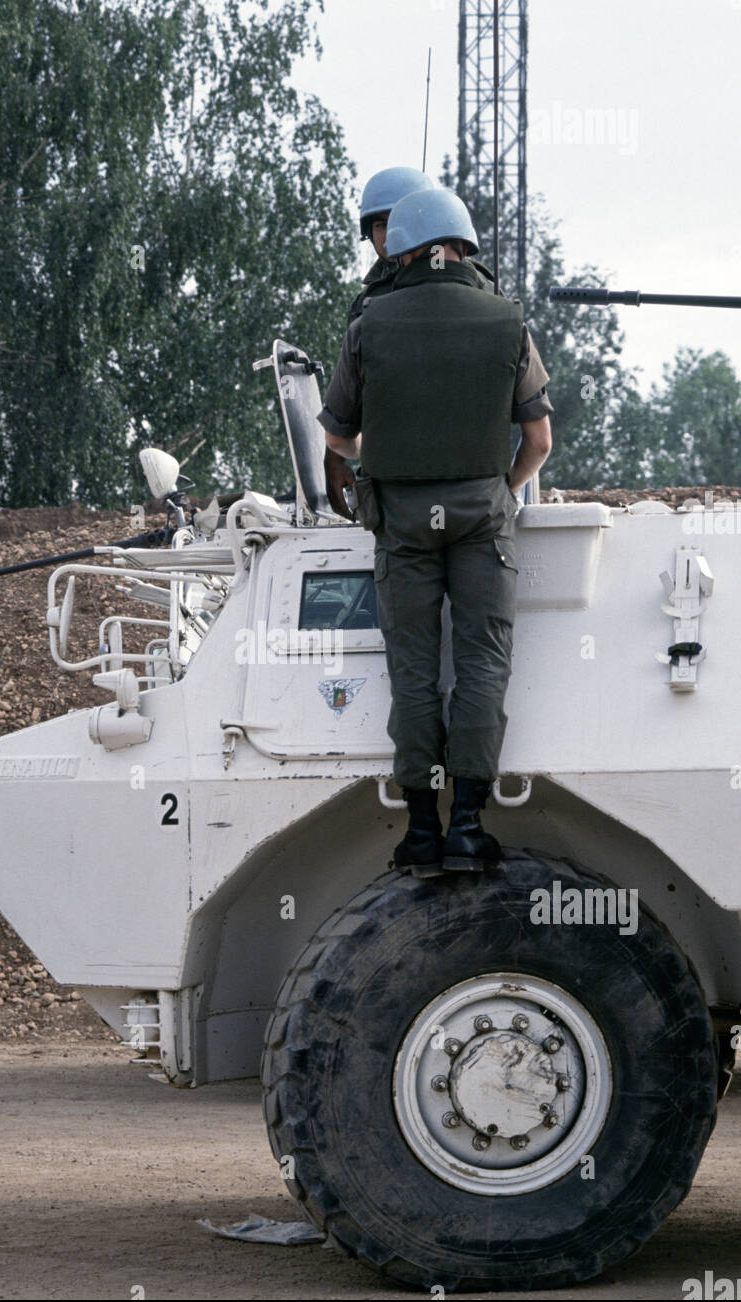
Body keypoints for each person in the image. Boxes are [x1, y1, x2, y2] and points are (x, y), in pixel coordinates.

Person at [318, 187, 553, 873]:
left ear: (406, 248)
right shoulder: (507, 320)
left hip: (401, 522)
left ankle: (421, 831)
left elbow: (338, 436)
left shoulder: (370, 323)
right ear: (463, 245)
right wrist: (499, 492)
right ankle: (470, 830)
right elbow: (537, 442)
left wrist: (382, 452)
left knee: (413, 670)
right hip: (482, 515)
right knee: (482, 664)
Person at [326, 169, 498, 522]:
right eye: (380, 226)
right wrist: (336, 455)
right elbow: (353, 396)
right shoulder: (367, 305)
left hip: (467, 466)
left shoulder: (474, 289)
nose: (392, 235)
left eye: (399, 220)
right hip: (395, 472)